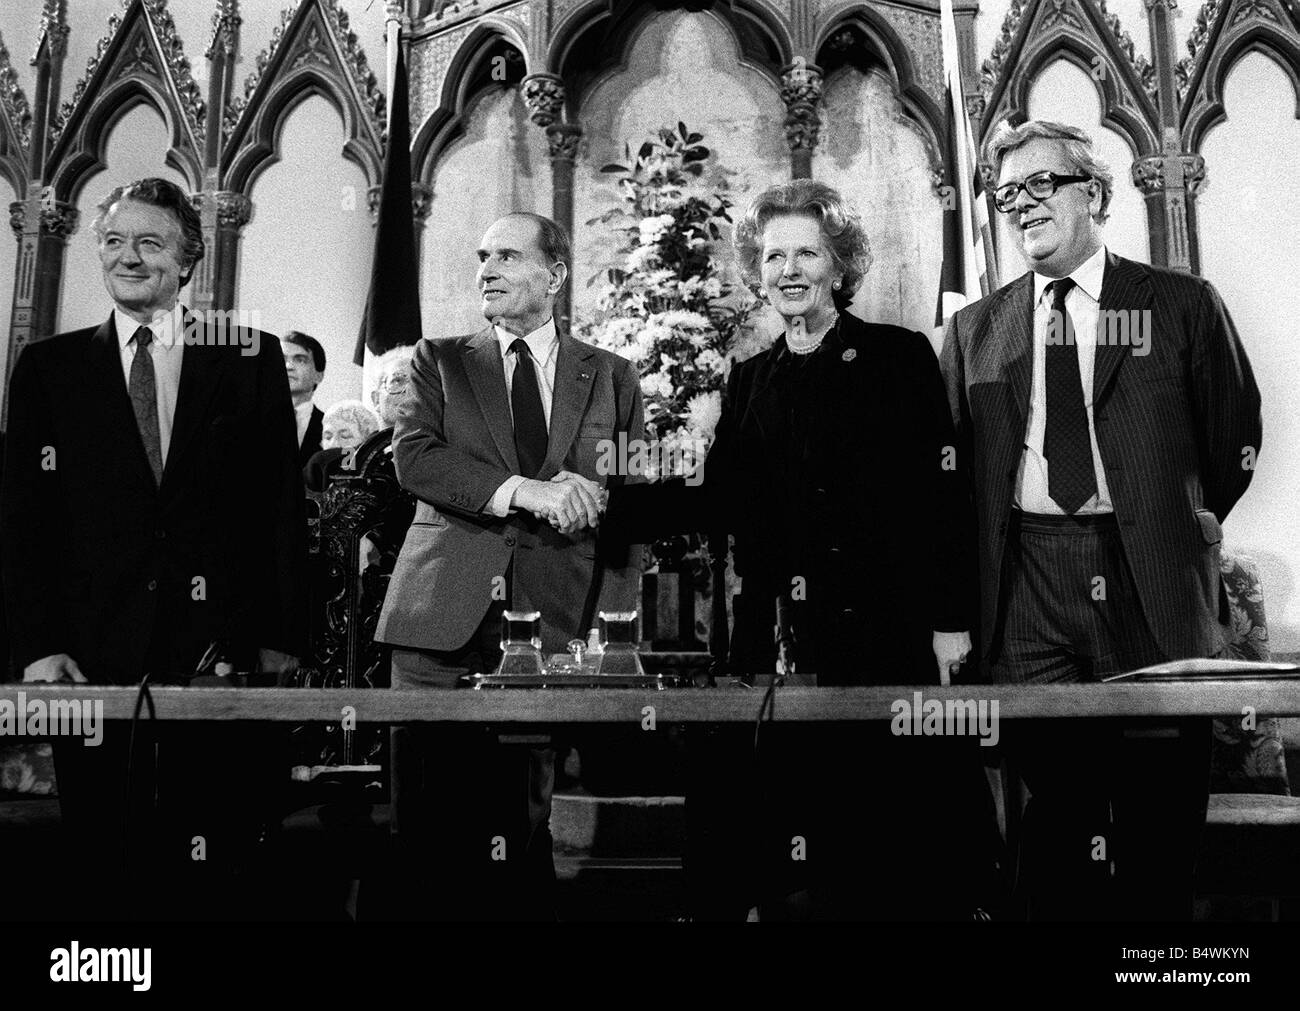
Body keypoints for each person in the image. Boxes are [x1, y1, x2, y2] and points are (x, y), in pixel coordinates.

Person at [603, 179, 991, 920]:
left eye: (807, 252)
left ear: (840, 266)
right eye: (774, 254)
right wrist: (603, 497)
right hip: (780, 644)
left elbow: (944, 498)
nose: (789, 269)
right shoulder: (752, 379)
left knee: (887, 859)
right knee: (772, 849)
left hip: (886, 638)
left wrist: (950, 621)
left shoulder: (897, 356)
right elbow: (719, 498)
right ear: (756, 269)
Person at [940, 120, 1262, 919]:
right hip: (1027, 588)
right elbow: (952, 479)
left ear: (1094, 192)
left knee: (1159, 824)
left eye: (1040, 185)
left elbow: (1234, 436)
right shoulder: (975, 328)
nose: (1021, 206)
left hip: (1147, 577)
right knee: (1053, 827)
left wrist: (1169, 523)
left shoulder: (1180, 304)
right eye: (1007, 194)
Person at [0, 176, 306, 918]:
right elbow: (22, 523)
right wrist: (36, 646)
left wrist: (275, 636)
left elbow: (278, 510)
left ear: (189, 258)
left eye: (148, 242)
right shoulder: (49, 368)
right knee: (102, 857)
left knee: (212, 850)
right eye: (112, 241)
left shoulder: (248, 357)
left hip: (216, 652)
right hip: (88, 655)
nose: (127, 257)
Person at [374, 212, 645, 920]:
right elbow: (415, 458)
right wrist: (527, 490)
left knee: (520, 822)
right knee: (425, 824)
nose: (486, 269)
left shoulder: (612, 377)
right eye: (481, 254)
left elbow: (632, 509)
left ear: (554, 275)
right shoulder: (439, 360)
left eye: (506, 256)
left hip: (550, 628)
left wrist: (612, 633)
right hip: (440, 621)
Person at [303, 346, 413, 493]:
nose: (410, 391)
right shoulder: (331, 463)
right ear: (376, 400)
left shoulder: (446, 457)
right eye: (397, 380)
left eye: (420, 384)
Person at [282, 330, 326, 466]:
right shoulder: (248, 422)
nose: (288, 366)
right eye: (280, 359)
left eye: (300, 360)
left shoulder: (331, 428)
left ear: (318, 375)